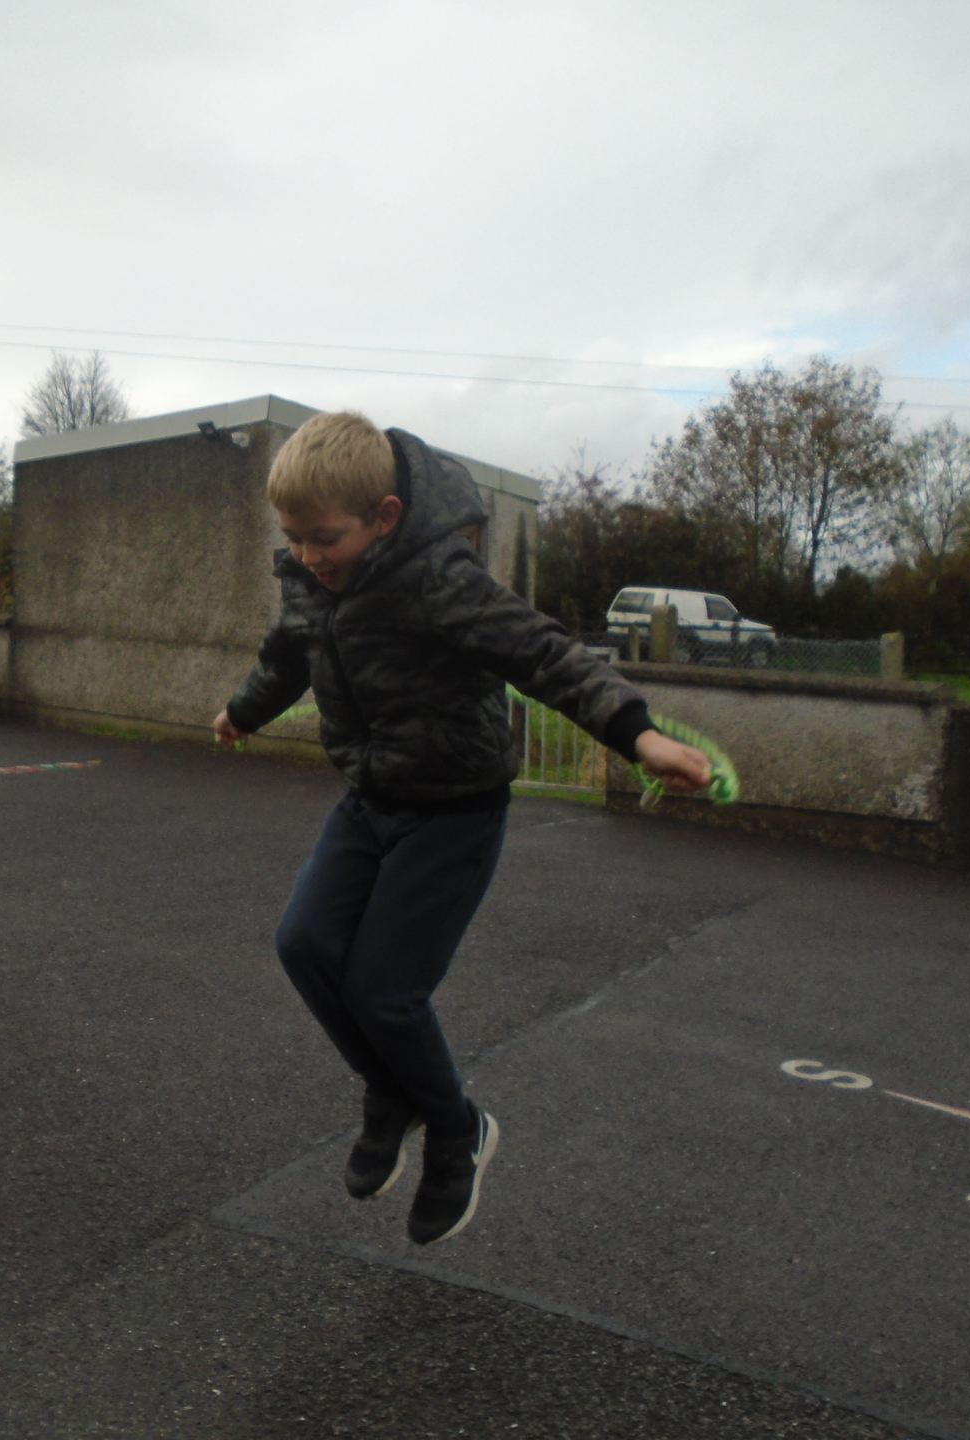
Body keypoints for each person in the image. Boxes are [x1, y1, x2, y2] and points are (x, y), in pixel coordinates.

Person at [213, 412, 713, 1244]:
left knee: (384, 990)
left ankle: (455, 1129)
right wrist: (241, 712)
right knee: (304, 945)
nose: (306, 557)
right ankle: (390, 1092)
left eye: (324, 538)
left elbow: (543, 654)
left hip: (453, 809)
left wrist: (638, 735)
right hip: (369, 799)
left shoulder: (439, 577)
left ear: (386, 517)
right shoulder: (315, 581)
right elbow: (289, 653)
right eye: (293, 539)